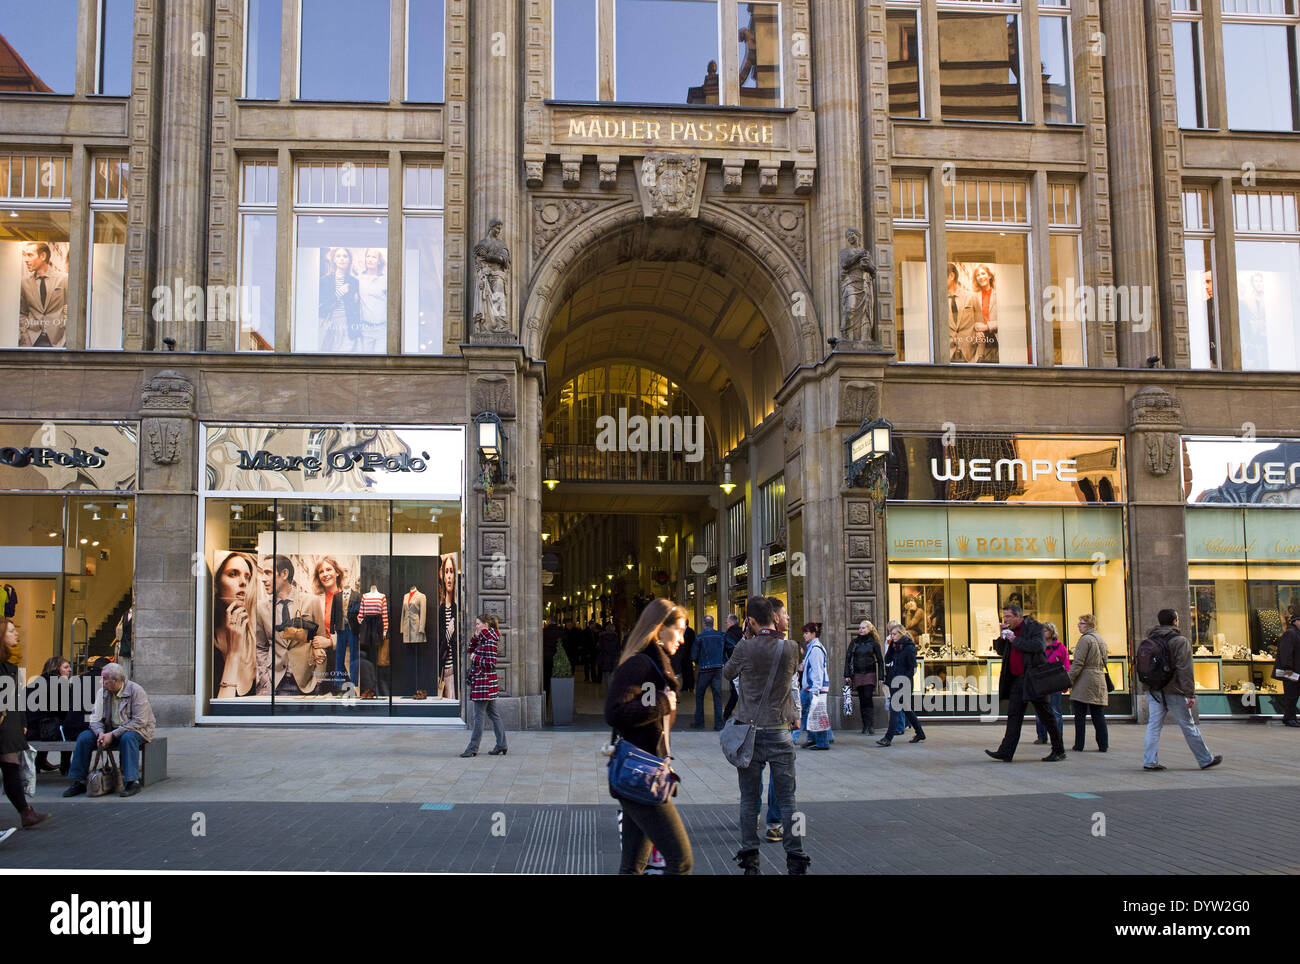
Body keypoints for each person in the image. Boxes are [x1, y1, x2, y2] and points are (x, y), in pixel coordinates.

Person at [722, 595, 810, 875]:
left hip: (750, 734)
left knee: (749, 800)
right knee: (788, 801)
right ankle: (795, 857)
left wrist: (745, 639)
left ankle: (751, 861)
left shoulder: (744, 648)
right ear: (774, 617)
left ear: (749, 620)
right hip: (780, 733)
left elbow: (727, 673)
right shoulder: (791, 648)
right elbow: (793, 679)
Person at [605, 598, 693, 875]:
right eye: (678, 630)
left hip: (641, 775)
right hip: (641, 776)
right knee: (680, 862)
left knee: (633, 866)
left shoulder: (656, 664)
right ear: (659, 628)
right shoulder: (641, 664)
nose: (682, 638)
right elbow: (615, 712)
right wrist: (663, 703)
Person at [1142, 610, 1222, 771]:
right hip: (1174, 689)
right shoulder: (1180, 641)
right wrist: (1189, 693)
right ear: (1175, 621)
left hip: (1154, 689)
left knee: (1153, 725)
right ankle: (1205, 759)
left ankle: (1149, 760)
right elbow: (1185, 669)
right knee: (1188, 725)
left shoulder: (1151, 639)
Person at [63, 661, 156, 798]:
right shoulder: (102, 692)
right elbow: (95, 718)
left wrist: (112, 735)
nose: (101, 681)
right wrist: (100, 733)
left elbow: (140, 721)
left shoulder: (136, 691)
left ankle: (131, 781)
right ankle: (79, 780)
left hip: (137, 730)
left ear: (116, 680)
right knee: (84, 737)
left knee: (128, 738)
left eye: (105, 678)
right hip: (108, 729)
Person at [986, 604, 1065, 762]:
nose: (1005, 620)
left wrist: (1015, 639)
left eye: (1008, 616)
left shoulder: (1034, 627)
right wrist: (1002, 637)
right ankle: (1006, 751)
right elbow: (1002, 651)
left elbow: (1038, 646)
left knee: (1046, 715)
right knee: (1014, 716)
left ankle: (1058, 749)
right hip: (1016, 679)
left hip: (1034, 678)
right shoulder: (1010, 632)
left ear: (1018, 616)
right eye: (1004, 617)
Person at [0, 619, 51, 828]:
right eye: (11, 631)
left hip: (9, 726)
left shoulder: (9, 665)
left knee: (11, 768)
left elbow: (16, 698)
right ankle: (26, 812)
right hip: (5, 725)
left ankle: (26, 812)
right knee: (11, 768)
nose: (16, 634)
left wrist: (22, 722)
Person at [266, 555, 332, 696]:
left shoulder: (310, 601)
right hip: (277, 682)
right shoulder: (262, 608)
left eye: (268, 573)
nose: (263, 578)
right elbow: (261, 645)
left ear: (284, 574)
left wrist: (318, 678)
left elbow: (319, 637)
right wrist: (266, 675)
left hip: (307, 682)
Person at [212, 551, 269, 698]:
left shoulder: (257, 641)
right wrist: (234, 653)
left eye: (247, 577)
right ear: (216, 583)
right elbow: (223, 713)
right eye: (232, 574)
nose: (243, 582)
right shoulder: (208, 646)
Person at [461, 614, 507, 757]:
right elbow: (469, 649)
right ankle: (501, 744)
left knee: (478, 717)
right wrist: (475, 637)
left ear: (486, 625)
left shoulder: (490, 640)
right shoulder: (483, 638)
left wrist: (476, 657)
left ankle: (473, 748)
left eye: (478, 624)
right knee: (494, 715)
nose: (476, 626)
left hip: (484, 683)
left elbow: (491, 663)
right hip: (484, 682)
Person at [878, 621, 926, 746]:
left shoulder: (909, 647)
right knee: (906, 709)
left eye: (894, 634)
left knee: (895, 709)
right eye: (891, 634)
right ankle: (920, 733)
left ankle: (888, 738)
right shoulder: (895, 646)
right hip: (894, 680)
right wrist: (891, 646)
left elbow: (913, 668)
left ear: (901, 634)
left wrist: (904, 680)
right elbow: (887, 660)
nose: (891, 636)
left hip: (903, 682)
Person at [1067, 614, 1109, 751]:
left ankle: (1079, 744)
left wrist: (1069, 679)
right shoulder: (1100, 639)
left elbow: (1078, 663)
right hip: (1099, 678)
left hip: (1085, 679)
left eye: (1082, 623)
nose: (1079, 625)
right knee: (1098, 713)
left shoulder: (1085, 640)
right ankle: (1103, 744)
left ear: (1090, 625)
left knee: (1080, 714)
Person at [26, 656, 72, 773]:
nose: (70, 670)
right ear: (56, 669)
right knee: (67, 727)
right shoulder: (59, 685)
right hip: (43, 731)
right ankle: (65, 766)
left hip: (30, 730)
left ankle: (40, 761)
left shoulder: (38, 682)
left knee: (52, 722)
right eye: (66, 667)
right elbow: (63, 712)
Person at [19, 241, 69, 347]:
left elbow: (71, 310)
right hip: (32, 340)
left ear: (42, 256)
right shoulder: (24, 282)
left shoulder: (64, 279)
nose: (26, 260)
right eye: (25, 256)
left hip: (58, 341)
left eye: (30, 255)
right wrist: (25, 334)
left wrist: (66, 336)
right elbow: (22, 312)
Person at [844, 619, 885, 735]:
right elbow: (848, 658)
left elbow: (880, 661)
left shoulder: (874, 643)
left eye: (863, 628)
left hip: (869, 673)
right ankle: (865, 725)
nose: (861, 630)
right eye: (860, 628)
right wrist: (847, 674)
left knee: (868, 697)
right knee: (862, 698)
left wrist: (881, 676)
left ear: (869, 629)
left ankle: (870, 725)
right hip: (857, 673)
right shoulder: (855, 642)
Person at [1034, 622, 1070, 745]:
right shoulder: (1038, 646)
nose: (1043, 633)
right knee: (1040, 711)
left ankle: (1057, 736)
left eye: (1045, 630)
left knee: (1055, 711)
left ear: (1051, 632)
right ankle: (1041, 735)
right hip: (1041, 681)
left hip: (1055, 682)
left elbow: (1066, 665)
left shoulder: (1060, 647)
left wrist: (1065, 683)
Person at [319, 246, 360, 352]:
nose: (342, 259)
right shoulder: (325, 280)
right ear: (334, 259)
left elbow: (356, 308)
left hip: (348, 325)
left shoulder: (354, 281)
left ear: (349, 260)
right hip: (330, 324)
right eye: (338, 256)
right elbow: (322, 307)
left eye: (345, 256)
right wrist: (339, 292)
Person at [799, 622, 831, 750]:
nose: (804, 635)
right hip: (810, 687)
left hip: (814, 688)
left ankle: (822, 742)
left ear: (813, 634)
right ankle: (813, 738)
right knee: (809, 714)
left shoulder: (815, 649)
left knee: (817, 714)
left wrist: (816, 689)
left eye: (806, 632)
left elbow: (817, 670)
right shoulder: (812, 647)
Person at [691, 615, 727, 730]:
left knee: (699, 695)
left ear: (703, 624)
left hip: (705, 669)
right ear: (713, 623)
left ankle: (699, 722)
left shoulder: (700, 637)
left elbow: (693, 655)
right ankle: (718, 724)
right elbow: (728, 649)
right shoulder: (721, 636)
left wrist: (699, 663)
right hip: (717, 669)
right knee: (717, 696)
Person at [947, 262, 982, 363]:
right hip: (947, 357)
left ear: (951, 276)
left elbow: (980, 326)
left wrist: (980, 355)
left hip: (970, 356)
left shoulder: (971, 297)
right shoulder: (938, 301)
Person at [356, 248, 387, 352]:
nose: (370, 259)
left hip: (382, 328)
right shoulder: (358, 279)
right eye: (368, 256)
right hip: (365, 328)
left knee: (381, 362)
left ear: (379, 261)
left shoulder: (385, 280)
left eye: (374, 257)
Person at [437, 554, 458, 700]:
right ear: (443, 576)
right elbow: (440, 648)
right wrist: (449, 633)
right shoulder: (441, 609)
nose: (449, 576)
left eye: (451, 571)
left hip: (455, 670)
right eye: (446, 572)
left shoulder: (457, 608)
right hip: (444, 670)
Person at [971, 263, 999, 363]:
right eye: (977, 275)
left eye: (983, 273)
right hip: (981, 341)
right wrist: (976, 329)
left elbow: (1006, 320)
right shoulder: (974, 296)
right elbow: (970, 318)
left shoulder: (999, 294)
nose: (980, 277)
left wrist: (987, 327)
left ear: (989, 276)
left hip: (998, 339)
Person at [1277, 611, 1300, 728]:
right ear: (1295, 621)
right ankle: (1289, 718)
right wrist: (1288, 667)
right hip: (1291, 671)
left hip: (1295, 670)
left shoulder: (1296, 633)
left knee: (1294, 695)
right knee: (1291, 694)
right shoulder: (1291, 633)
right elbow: (1286, 651)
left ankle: (1291, 717)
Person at [722, 613, 744, 720]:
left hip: (733, 666)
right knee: (737, 691)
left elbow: (727, 652)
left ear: (730, 623)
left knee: (735, 691)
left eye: (726, 622)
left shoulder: (728, 635)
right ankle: (728, 712)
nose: (726, 624)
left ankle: (728, 713)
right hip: (744, 666)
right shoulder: (743, 633)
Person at [597, 621, 621, 689]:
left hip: (605, 658)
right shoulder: (616, 637)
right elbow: (618, 648)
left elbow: (600, 648)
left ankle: (609, 692)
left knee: (607, 676)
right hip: (614, 659)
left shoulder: (602, 637)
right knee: (613, 676)